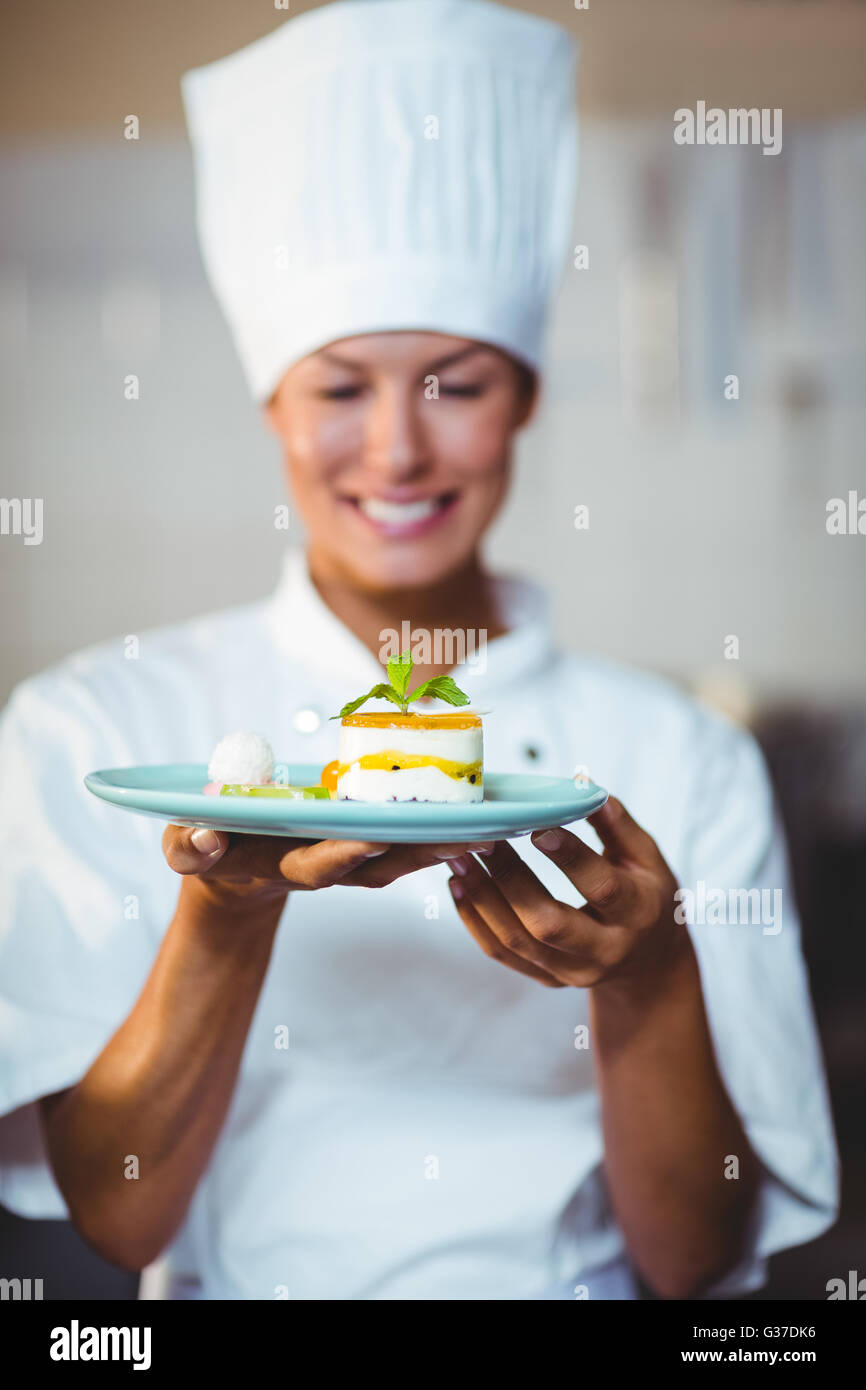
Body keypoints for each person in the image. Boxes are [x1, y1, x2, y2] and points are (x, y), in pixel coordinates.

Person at [0, 0, 838, 1301]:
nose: (395, 449)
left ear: (526, 402)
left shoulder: (683, 753)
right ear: (270, 404)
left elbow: (696, 1264)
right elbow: (115, 1217)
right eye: (338, 386)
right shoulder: (93, 722)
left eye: (456, 381)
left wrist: (649, 970)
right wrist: (228, 904)